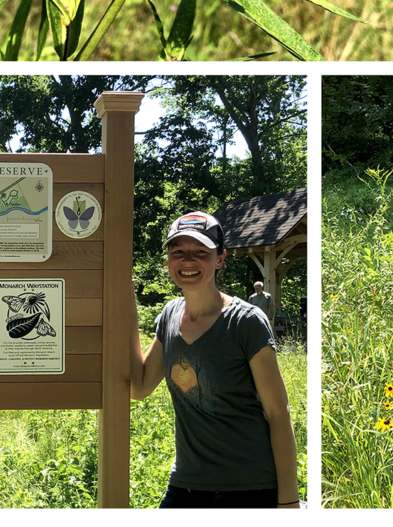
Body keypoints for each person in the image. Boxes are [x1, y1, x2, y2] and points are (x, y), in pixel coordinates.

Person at [128, 211, 301, 509]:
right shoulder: (169, 316)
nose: (188, 260)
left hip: (248, 488)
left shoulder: (245, 322)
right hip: (186, 483)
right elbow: (139, 387)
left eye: (200, 252)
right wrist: (126, 306)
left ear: (220, 259)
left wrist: (288, 503)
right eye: (178, 251)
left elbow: (278, 413)